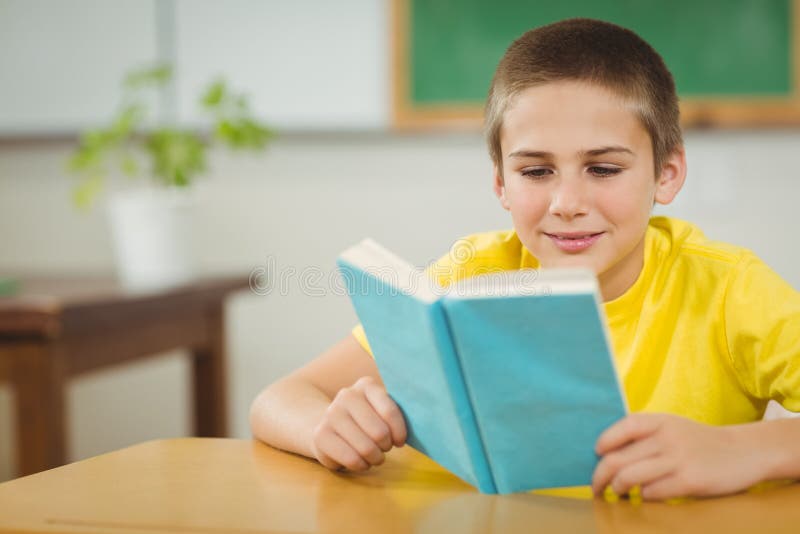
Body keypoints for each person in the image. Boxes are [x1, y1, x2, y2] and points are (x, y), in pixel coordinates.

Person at [249, 18, 800, 500]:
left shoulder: (727, 289)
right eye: (536, 171)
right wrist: (329, 426)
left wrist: (741, 449)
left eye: (603, 169)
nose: (567, 205)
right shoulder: (471, 275)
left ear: (667, 174)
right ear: (501, 183)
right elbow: (278, 400)